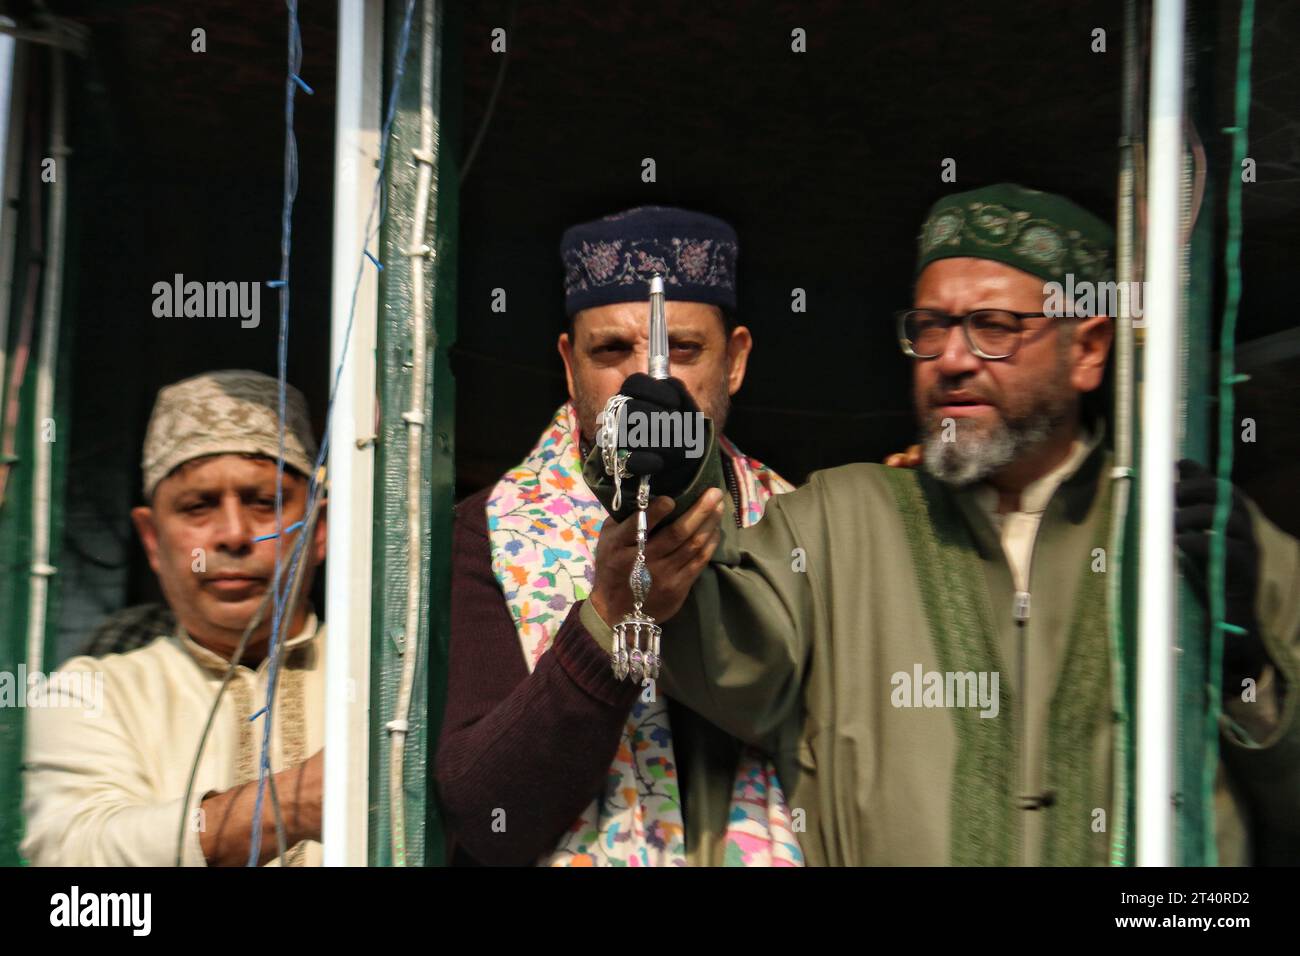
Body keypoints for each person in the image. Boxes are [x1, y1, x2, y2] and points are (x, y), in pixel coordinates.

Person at [579, 184, 1300, 865]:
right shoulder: (839, 524)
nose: (951, 359)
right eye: (930, 328)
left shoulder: (1194, 534)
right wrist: (669, 481)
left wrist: (1245, 662)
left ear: (1087, 348)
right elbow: (727, 651)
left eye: (993, 327)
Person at [437, 206, 803, 865]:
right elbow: (486, 817)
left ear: (738, 360)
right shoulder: (488, 529)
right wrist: (607, 621)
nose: (649, 381)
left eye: (683, 350)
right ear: (569, 367)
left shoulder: (800, 525)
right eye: (611, 351)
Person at [22, 370, 328, 866]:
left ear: (319, 529)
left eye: (264, 502)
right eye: (198, 506)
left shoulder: (383, 681)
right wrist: (287, 805)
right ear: (151, 540)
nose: (233, 535)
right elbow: (74, 854)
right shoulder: (93, 691)